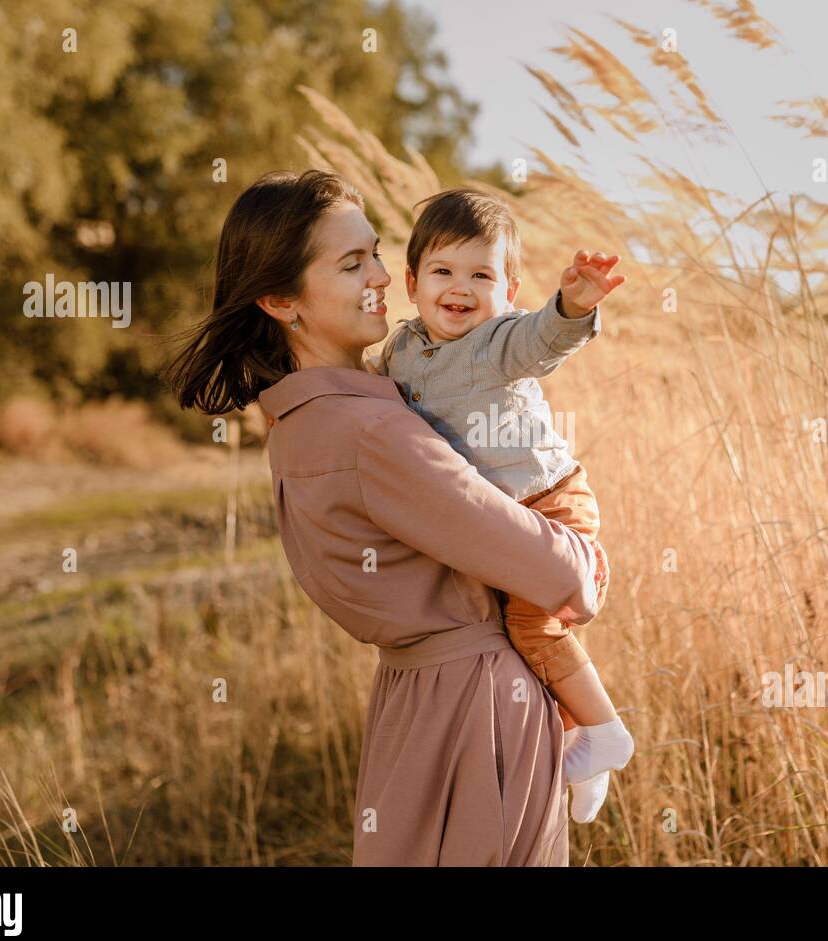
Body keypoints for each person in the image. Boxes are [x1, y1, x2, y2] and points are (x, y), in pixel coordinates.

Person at [164, 169, 608, 865]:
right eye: (351, 263)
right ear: (281, 299)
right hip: (481, 709)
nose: (379, 275)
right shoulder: (371, 431)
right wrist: (582, 552)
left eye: (374, 252)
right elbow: (562, 576)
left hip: (413, 704)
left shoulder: (297, 421)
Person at [366, 188, 634, 822]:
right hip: (495, 521)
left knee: (532, 627)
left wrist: (573, 303)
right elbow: (368, 401)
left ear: (508, 290)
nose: (460, 289)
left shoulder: (499, 342)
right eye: (443, 271)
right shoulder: (399, 353)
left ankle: (604, 730)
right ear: (412, 281)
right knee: (507, 641)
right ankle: (572, 741)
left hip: (548, 502)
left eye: (481, 275)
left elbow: (546, 338)